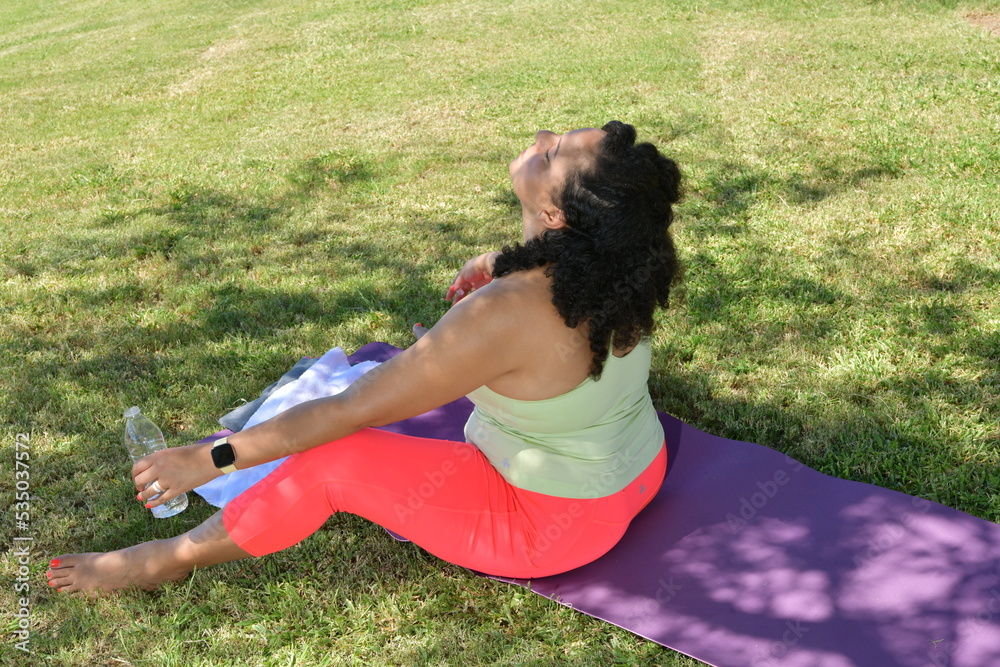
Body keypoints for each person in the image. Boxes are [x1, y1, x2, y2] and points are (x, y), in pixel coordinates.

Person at [47, 121, 682, 595]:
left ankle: (164, 560)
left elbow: (351, 409)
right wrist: (493, 264)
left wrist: (209, 458)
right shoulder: (615, 269)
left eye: (551, 154)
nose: (541, 137)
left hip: (551, 525)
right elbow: (536, 298)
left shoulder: (503, 315)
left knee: (332, 460)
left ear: (553, 213)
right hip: (639, 470)